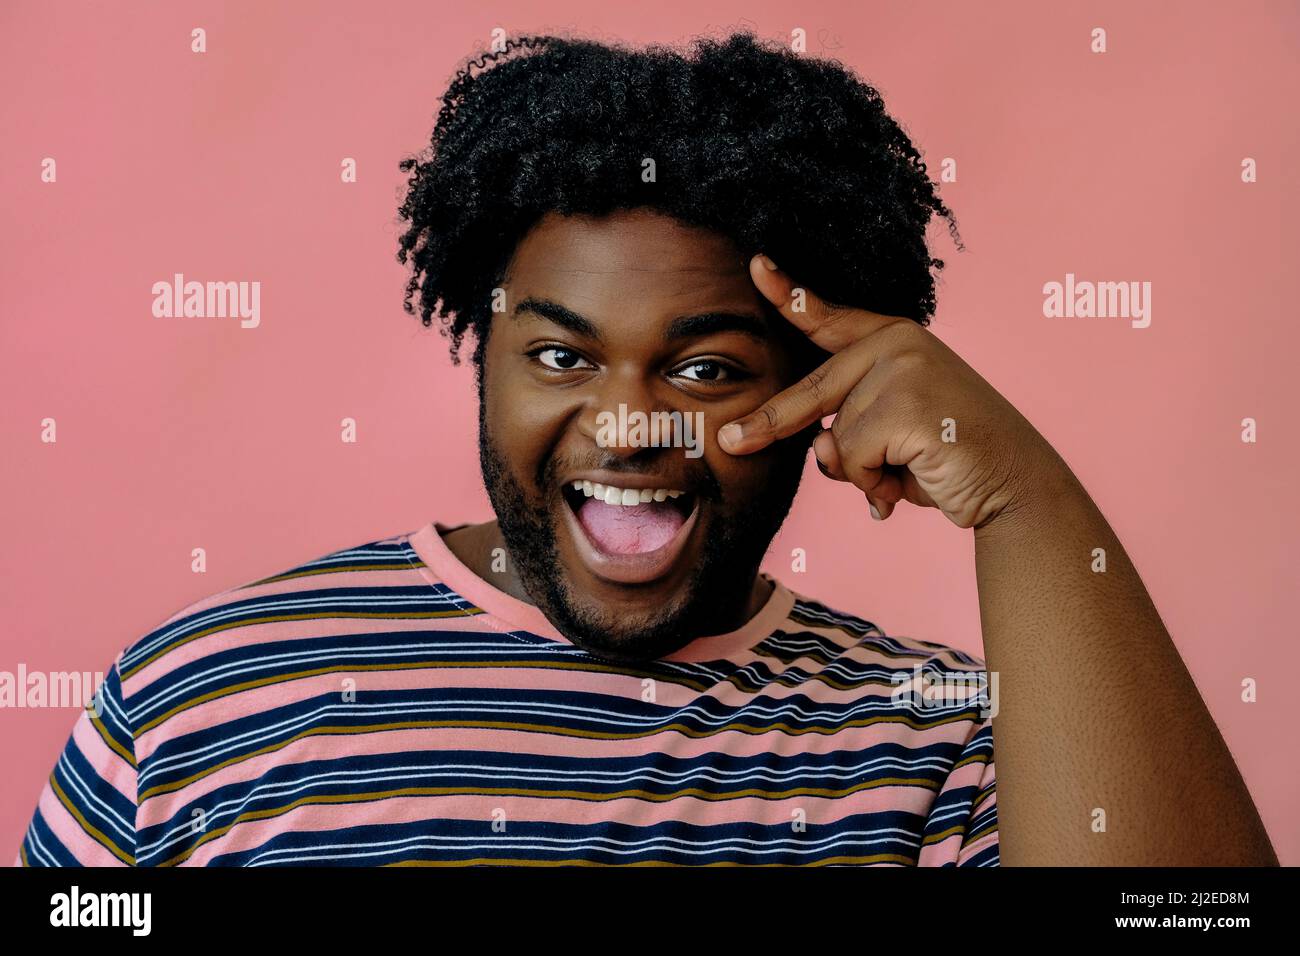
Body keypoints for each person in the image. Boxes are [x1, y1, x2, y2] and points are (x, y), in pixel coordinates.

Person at [17, 31, 1275, 867]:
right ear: (484, 357)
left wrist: (1027, 501)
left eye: (705, 365)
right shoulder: (203, 689)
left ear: (818, 388)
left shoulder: (932, 731)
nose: (627, 421)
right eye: (560, 356)